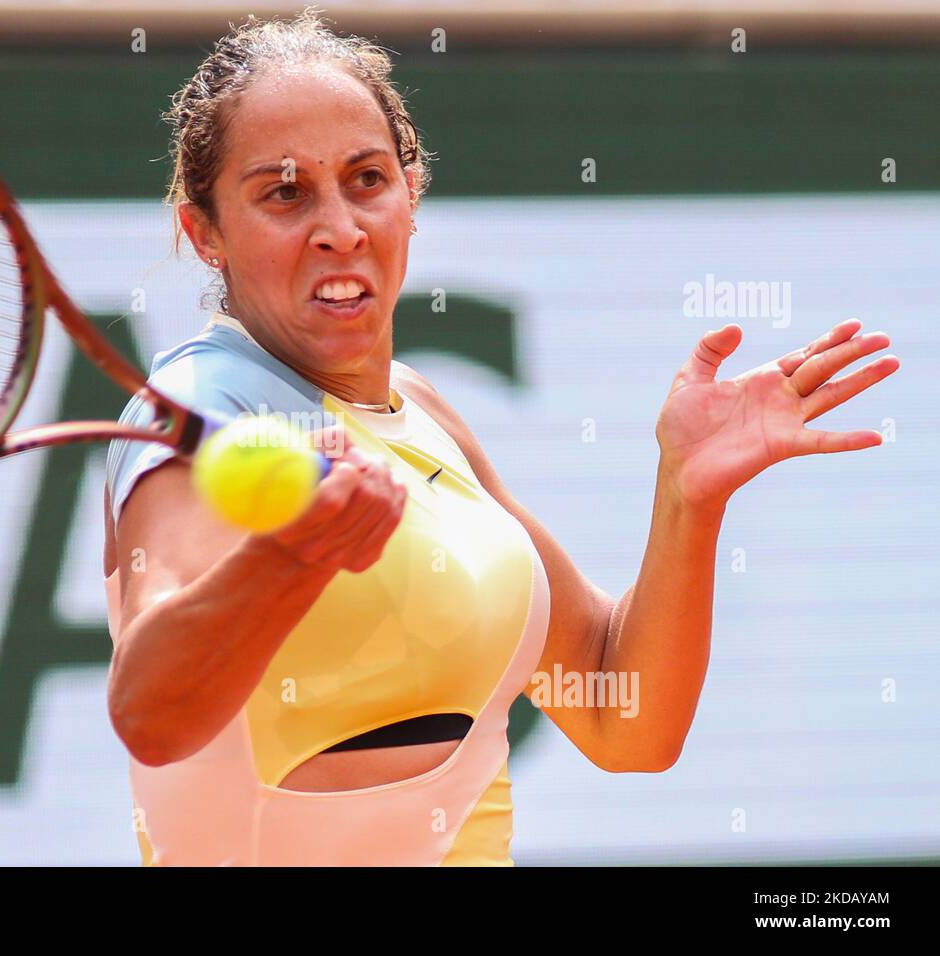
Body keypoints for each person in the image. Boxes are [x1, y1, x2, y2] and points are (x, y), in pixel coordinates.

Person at [100, 10, 899, 866]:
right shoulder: (201, 412)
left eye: (367, 179)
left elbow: (618, 715)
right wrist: (291, 555)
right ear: (205, 232)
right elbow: (152, 714)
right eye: (284, 193)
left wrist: (688, 499)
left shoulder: (422, 411)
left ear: (412, 195)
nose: (339, 226)